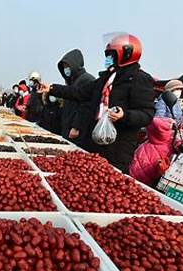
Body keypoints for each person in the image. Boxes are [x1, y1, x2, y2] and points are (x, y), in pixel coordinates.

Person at [40, 33, 155, 173]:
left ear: (126, 54)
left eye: (112, 55)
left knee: (109, 183)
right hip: (93, 141)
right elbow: (79, 93)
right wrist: (52, 89)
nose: (108, 59)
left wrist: (124, 115)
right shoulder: (105, 79)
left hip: (117, 148)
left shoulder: (139, 79)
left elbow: (147, 114)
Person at [57, 49, 95, 144]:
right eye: (64, 67)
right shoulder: (72, 82)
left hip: (77, 131)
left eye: (67, 66)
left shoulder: (87, 80)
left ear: (74, 64)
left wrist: (76, 127)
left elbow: (86, 106)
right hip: (68, 125)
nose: (66, 69)